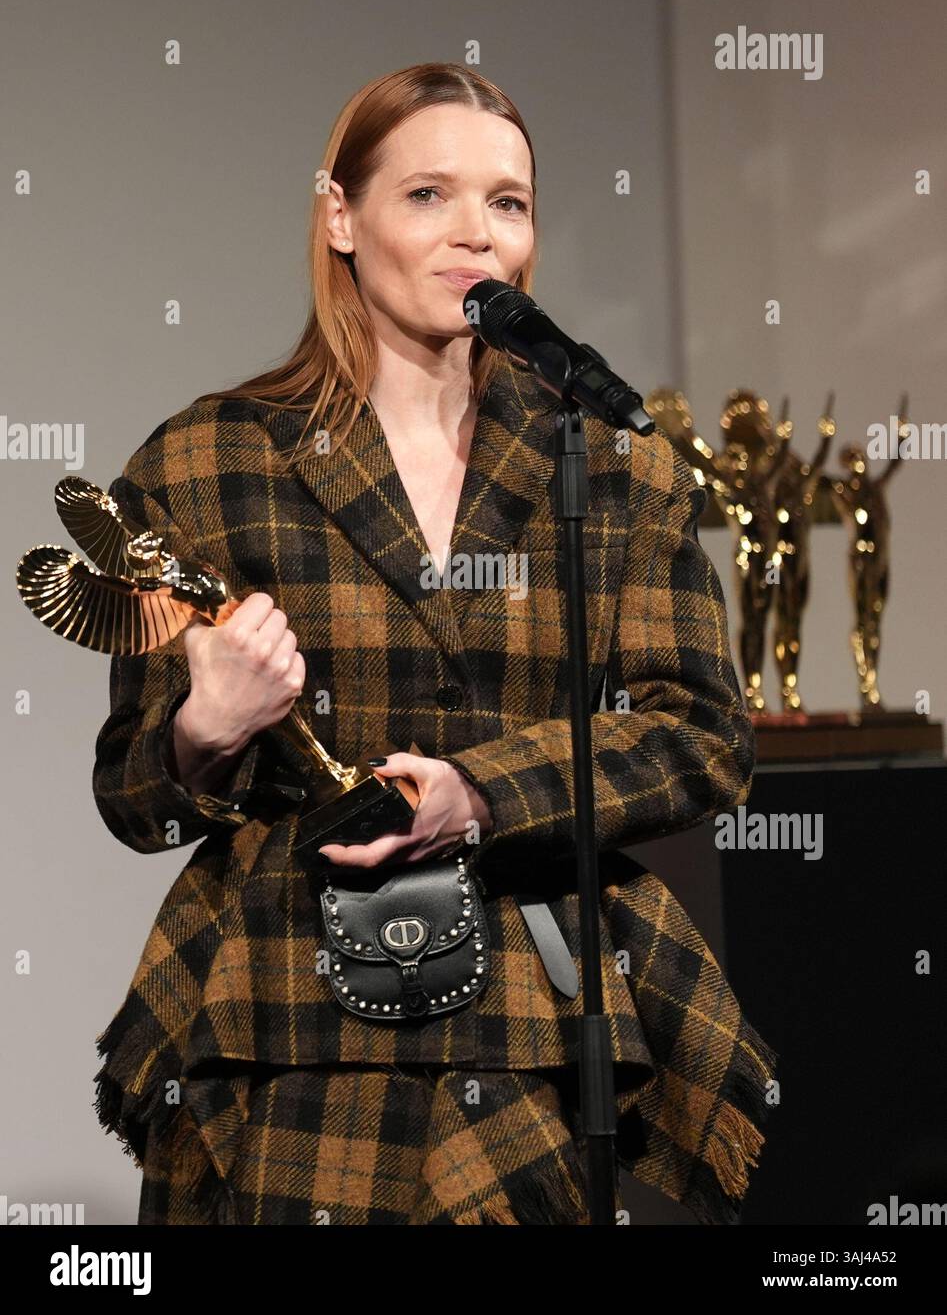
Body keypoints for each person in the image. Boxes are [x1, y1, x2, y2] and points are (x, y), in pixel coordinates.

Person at [91, 62, 778, 1226]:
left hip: (533, 1009)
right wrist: (206, 728)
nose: (477, 235)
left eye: (507, 203)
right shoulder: (206, 462)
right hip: (289, 1021)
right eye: (428, 195)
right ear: (340, 217)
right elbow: (133, 797)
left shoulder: (610, 460)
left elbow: (698, 739)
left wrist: (476, 792)